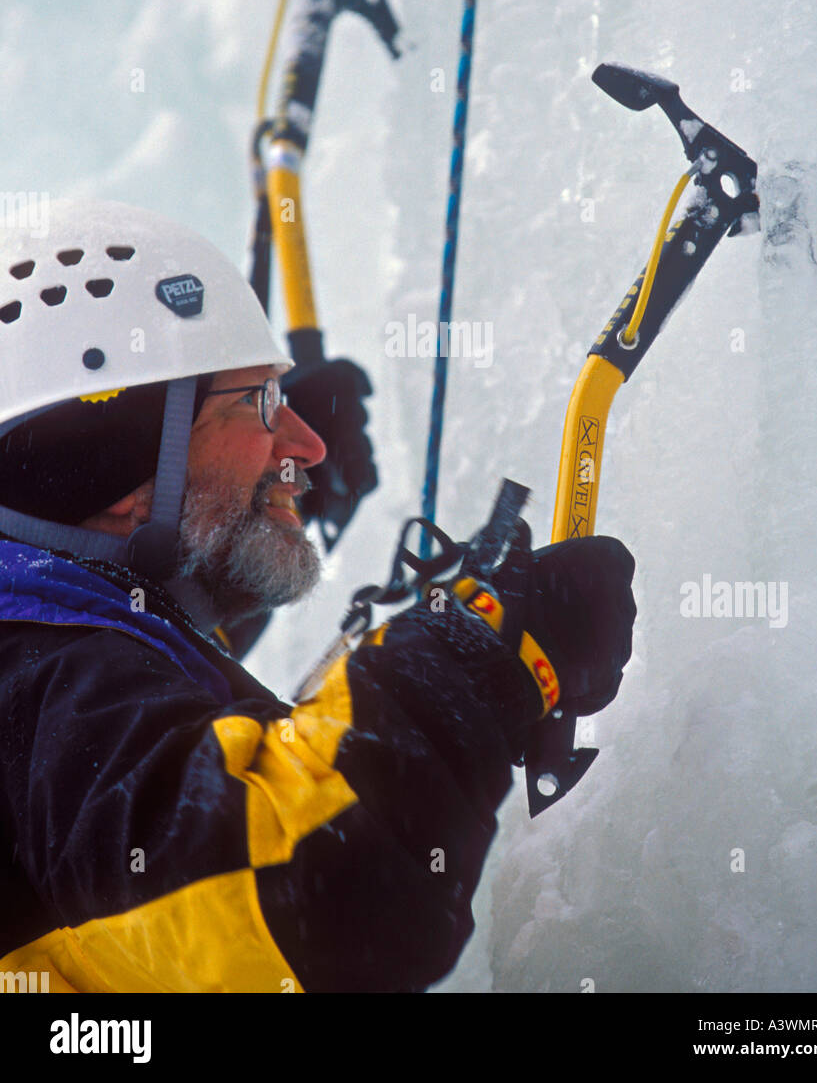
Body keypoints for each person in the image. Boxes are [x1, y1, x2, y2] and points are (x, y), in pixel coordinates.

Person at [0, 199, 636, 993]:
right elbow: (295, 886)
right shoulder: (33, 689)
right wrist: (479, 655)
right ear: (124, 470)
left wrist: (254, 518)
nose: (308, 442)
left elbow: (141, 691)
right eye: (260, 403)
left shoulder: (45, 650)